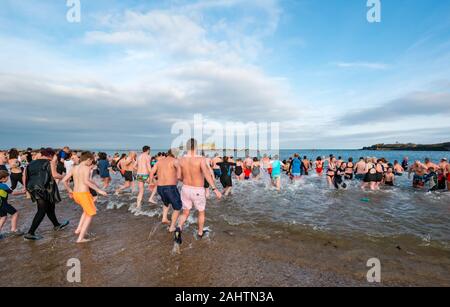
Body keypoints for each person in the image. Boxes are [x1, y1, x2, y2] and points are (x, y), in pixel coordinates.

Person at [176, 139, 222, 244]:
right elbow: (206, 174)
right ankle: (200, 232)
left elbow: (178, 176)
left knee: (185, 212)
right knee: (201, 212)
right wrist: (215, 189)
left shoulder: (181, 159)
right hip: (197, 190)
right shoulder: (201, 159)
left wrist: (186, 180)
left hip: (185, 188)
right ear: (196, 147)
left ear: (187, 147)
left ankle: (179, 227)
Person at [24, 148, 69, 241]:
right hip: (44, 188)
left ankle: (56, 225)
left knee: (50, 207)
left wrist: (26, 188)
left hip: (32, 187)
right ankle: (30, 233)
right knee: (42, 210)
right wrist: (65, 176)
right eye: (53, 156)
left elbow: (24, 176)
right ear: (50, 155)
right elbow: (55, 175)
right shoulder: (49, 162)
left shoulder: (31, 163)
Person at [62, 152, 107, 243]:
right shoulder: (86, 168)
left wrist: (69, 191)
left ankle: (78, 230)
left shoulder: (74, 168)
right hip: (84, 194)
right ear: (88, 159)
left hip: (76, 194)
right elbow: (86, 181)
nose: (91, 163)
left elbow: (64, 180)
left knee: (86, 211)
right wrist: (99, 190)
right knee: (90, 214)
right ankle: (80, 238)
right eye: (92, 161)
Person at [150, 149, 182, 232]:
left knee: (166, 202)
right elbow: (179, 175)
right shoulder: (175, 161)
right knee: (178, 207)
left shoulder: (159, 162)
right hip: (170, 187)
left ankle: (164, 218)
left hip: (160, 187)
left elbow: (151, 172)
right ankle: (172, 227)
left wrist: (151, 183)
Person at [0, 170, 25, 239]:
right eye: (7, 178)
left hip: (0, 205)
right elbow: (13, 193)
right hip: (3, 204)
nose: (8, 179)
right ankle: (13, 230)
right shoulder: (3, 185)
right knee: (15, 213)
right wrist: (23, 192)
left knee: (3, 217)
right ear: (2, 178)